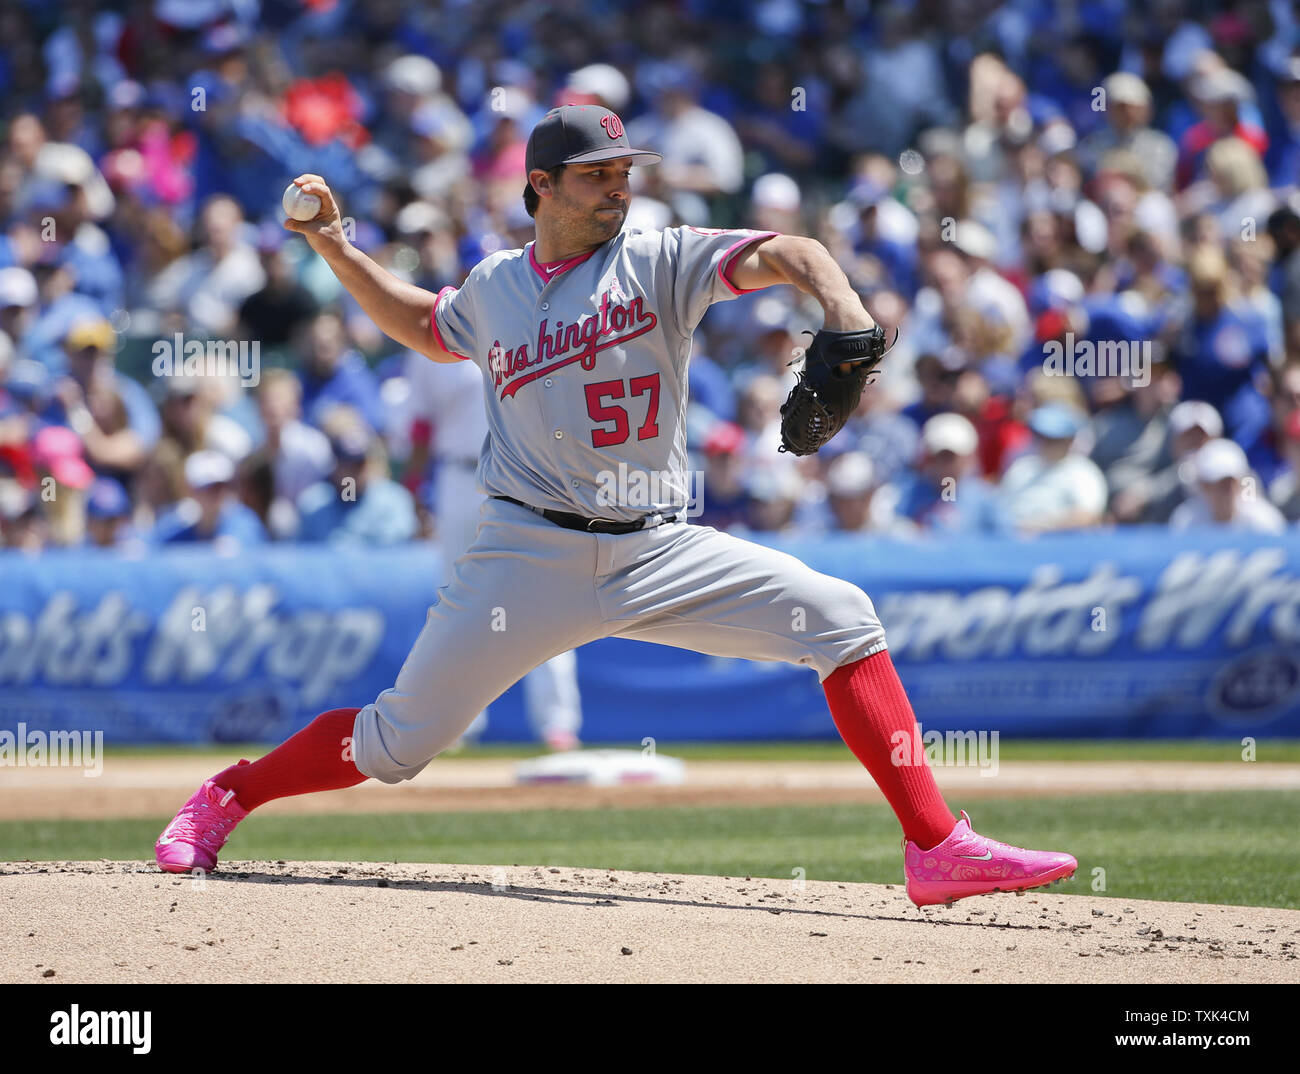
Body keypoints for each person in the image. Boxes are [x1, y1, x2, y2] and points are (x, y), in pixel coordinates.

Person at [154, 104, 1075, 909]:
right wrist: (336, 247)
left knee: (841, 617)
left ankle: (936, 845)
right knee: (394, 745)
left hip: (657, 548)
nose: (615, 190)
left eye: (623, 173)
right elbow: (423, 326)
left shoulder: (662, 261)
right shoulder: (495, 287)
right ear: (540, 188)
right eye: (594, 177)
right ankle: (230, 795)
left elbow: (791, 251)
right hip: (524, 553)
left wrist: (840, 307)